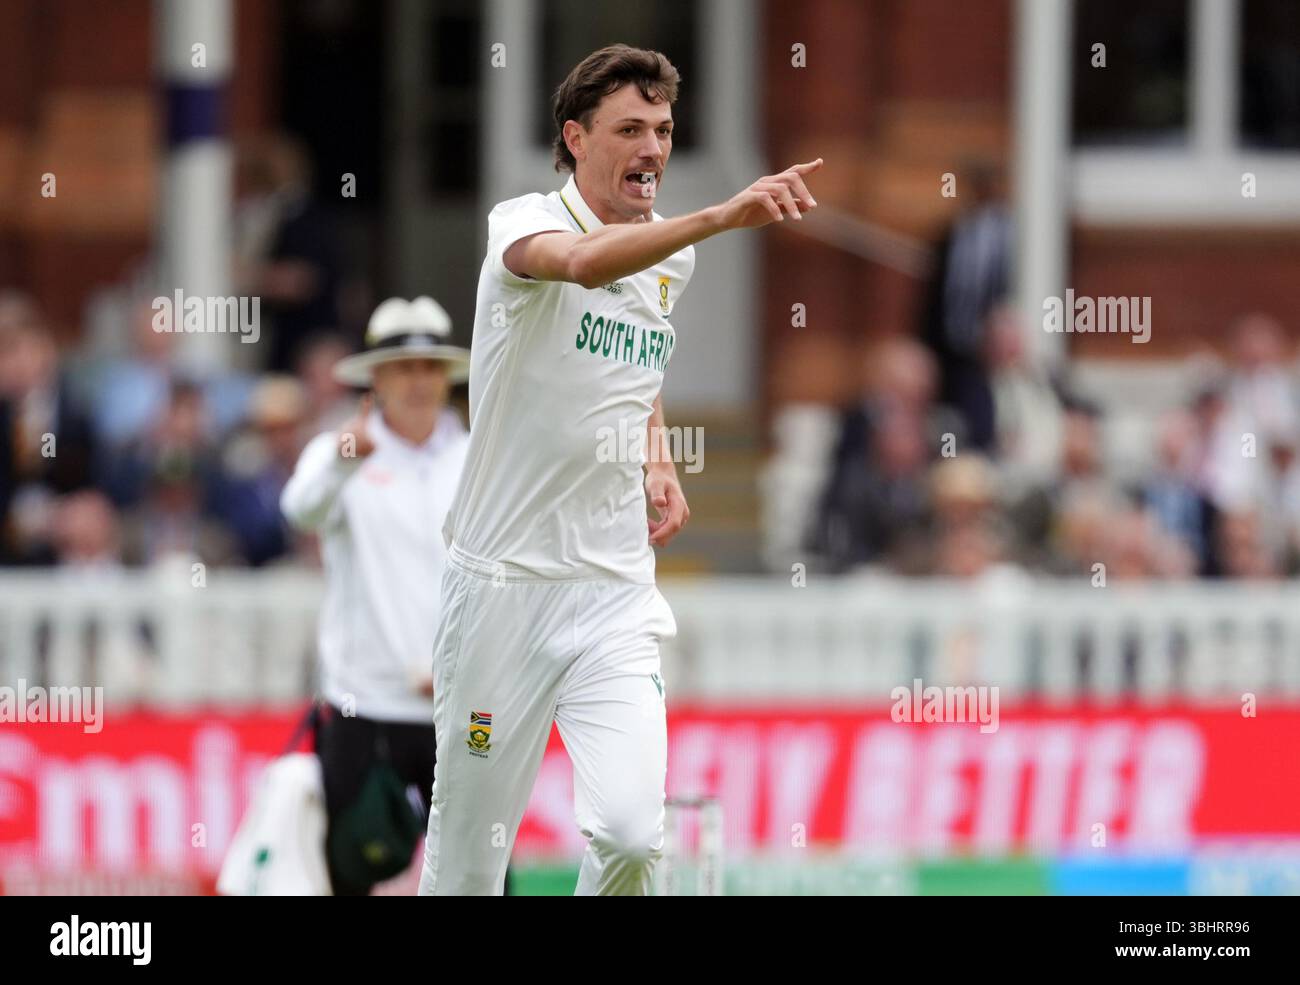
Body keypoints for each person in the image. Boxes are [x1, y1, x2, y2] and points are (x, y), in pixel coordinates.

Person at [418, 44, 822, 896]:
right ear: (576, 136)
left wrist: (658, 453)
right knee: (465, 868)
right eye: (630, 128)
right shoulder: (522, 222)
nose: (654, 147)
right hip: (501, 589)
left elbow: (636, 361)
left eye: (665, 129)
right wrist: (721, 215)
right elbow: (581, 264)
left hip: (611, 591)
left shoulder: (668, 257)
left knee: (637, 838)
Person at [280, 296, 470, 895]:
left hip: (461, 708)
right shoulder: (342, 449)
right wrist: (344, 460)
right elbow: (300, 506)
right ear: (376, 379)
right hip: (364, 705)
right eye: (404, 368)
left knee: (482, 872)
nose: (419, 382)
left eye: (430, 368)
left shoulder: (476, 459)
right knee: (353, 870)